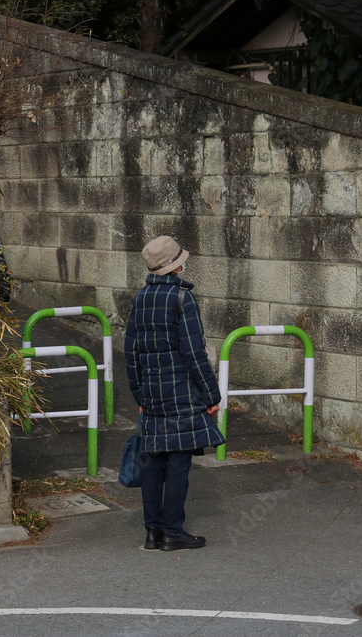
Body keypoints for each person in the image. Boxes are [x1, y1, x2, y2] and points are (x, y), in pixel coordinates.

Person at [124, 235, 225, 552]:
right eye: (182, 259)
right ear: (175, 266)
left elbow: (131, 353)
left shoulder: (139, 300)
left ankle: (153, 533)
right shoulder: (183, 300)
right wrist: (212, 396)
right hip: (182, 394)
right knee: (179, 464)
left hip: (152, 395)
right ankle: (173, 531)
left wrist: (140, 396)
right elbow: (195, 355)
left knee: (154, 464)